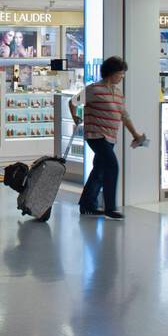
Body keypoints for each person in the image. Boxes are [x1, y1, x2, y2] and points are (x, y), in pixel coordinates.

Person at [70, 56, 145, 220]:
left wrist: (136, 135)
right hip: (96, 135)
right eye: (120, 73)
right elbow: (73, 102)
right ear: (111, 73)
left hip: (110, 136)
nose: (122, 77)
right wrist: (75, 117)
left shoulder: (118, 93)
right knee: (112, 166)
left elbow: (124, 116)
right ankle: (110, 208)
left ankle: (87, 204)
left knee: (100, 169)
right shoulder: (94, 89)